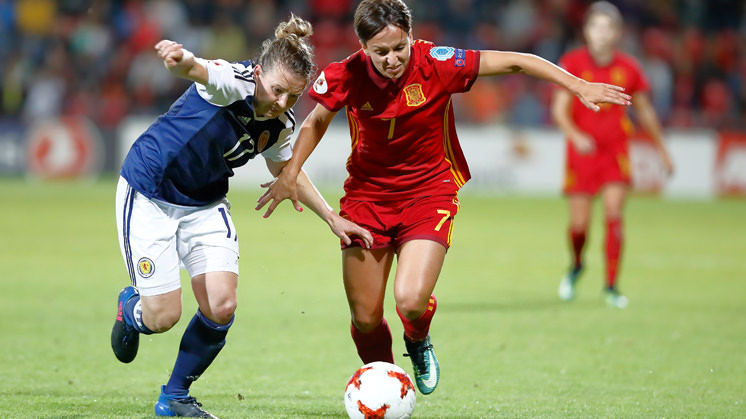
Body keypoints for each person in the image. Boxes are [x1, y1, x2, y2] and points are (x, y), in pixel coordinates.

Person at [256, 0, 630, 395]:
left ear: (411, 37)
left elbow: (517, 62)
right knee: (366, 318)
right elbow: (316, 120)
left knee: (410, 300)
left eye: (399, 48)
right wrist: (291, 171)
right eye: (380, 52)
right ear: (363, 48)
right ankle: (389, 387)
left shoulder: (436, 62)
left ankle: (417, 340)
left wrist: (576, 84)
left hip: (428, 192)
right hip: (367, 199)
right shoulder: (346, 74)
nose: (392, 59)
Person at [111, 15, 372, 418]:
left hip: (205, 204)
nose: (282, 103)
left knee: (222, 305)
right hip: (150, 192)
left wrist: (332, 218)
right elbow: (195, 68)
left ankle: (175, 397)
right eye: (277, 90)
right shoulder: (232, 82)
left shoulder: (281, 125)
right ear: (259, 73)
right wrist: (177, 59)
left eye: (293, 97)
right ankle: (131, 310)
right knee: (162, 317)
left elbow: (287, 173)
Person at [552, 1, 674, 309]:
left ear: (617, 32)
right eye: (596, 27)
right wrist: (576, 136)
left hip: (615, 152)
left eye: (608, 28)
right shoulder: (573, 62)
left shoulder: (629, 67)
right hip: (581, 154)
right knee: (579, 226)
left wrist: (662, 150)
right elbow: (558, 110)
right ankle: (577, 264)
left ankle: (611, 286)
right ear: (587, 30)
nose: (601, 34)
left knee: (613, 214)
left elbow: (644, 111)